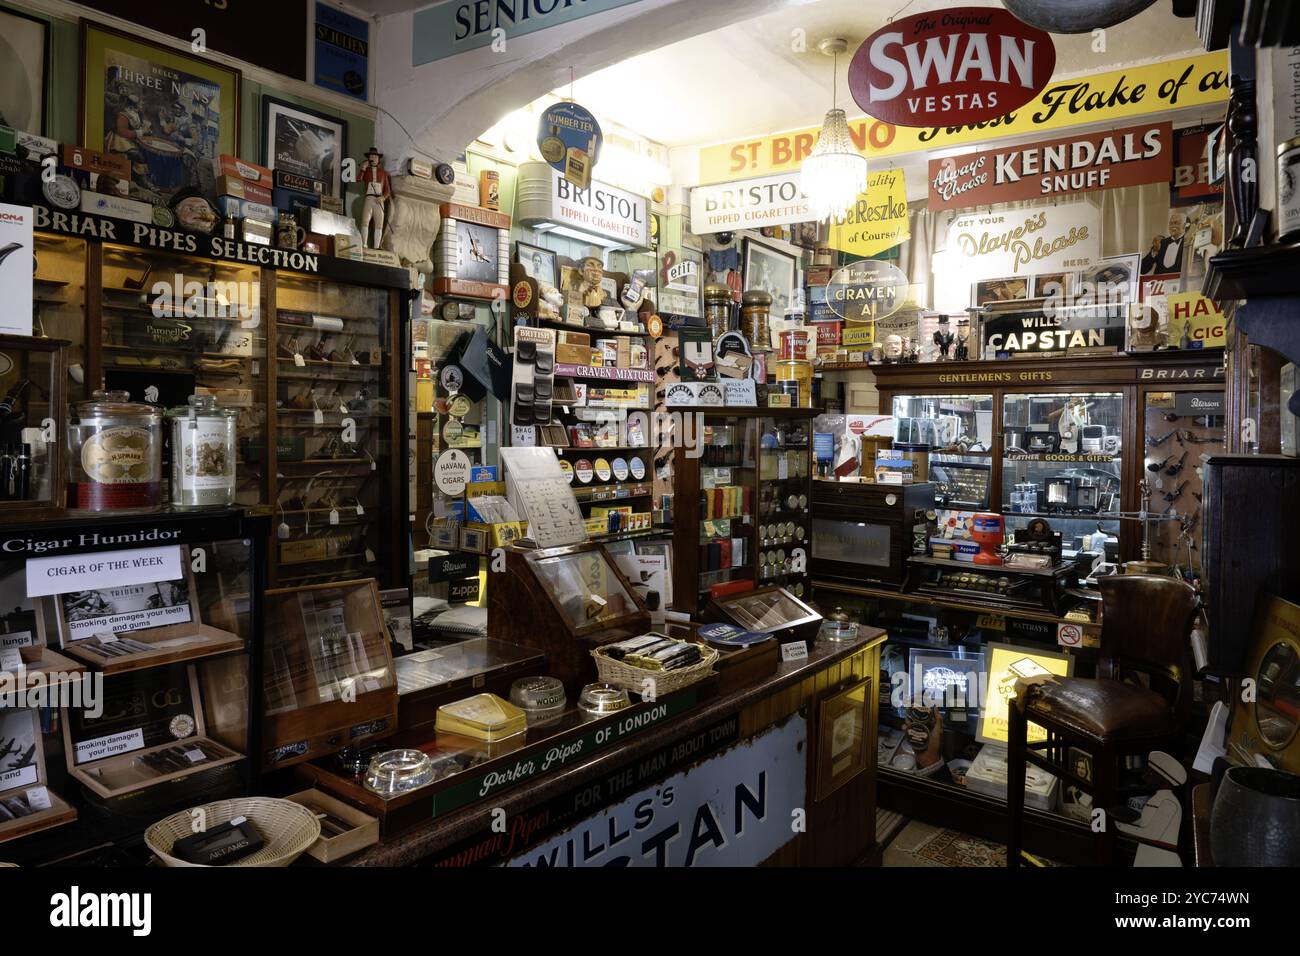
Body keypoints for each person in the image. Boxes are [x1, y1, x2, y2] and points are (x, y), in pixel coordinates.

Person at [359, 147, 391, 249]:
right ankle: (364, 244)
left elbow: (388, 191)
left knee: (379, 223)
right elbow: (358, 179)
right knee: (365, 220)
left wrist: (383, 198)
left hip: (379, 200)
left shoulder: (383, 173)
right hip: (369, 198)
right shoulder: (366, 171)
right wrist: (363, 169)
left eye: (375, 156)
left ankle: (376, 246)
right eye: (371, 156)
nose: (373, 158)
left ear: (378, 159)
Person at [1141, 211, 1189, 275]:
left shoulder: (1188, 243)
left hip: (1179, 283)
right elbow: (1143, 269)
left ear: (1184, 225)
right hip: (1159, 284)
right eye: (1171, 223)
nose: (1173, 226)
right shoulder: (1161, 243)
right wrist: (1154, 251)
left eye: (1176, 223)